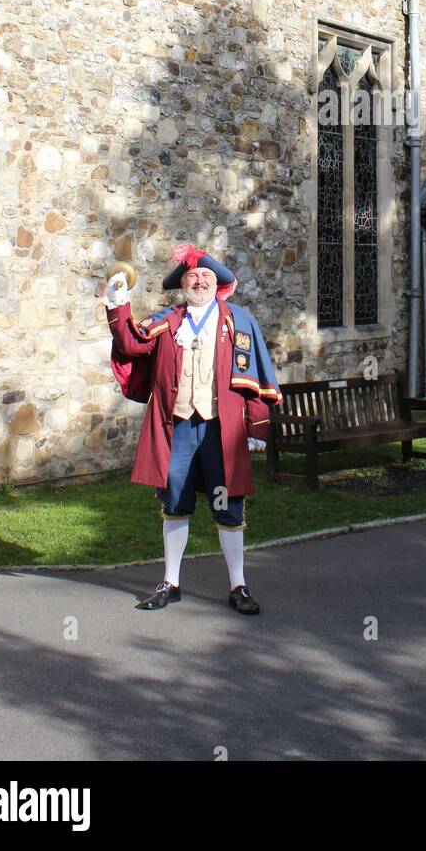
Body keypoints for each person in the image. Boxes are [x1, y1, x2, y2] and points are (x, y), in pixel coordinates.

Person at [103, 244, 282, 616]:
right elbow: (130, 342)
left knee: (227, 503)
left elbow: (256, 376)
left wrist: (257, 427)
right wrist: (118, 302)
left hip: (222, 430)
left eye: (205, 277)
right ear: (183, 283)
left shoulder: (238, 321)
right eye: (192, 277)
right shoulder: (170, 320)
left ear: (217, 284)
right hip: (179, 428)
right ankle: (170, 582)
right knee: (175, 503)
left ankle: (239, 585)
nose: (199, 281)